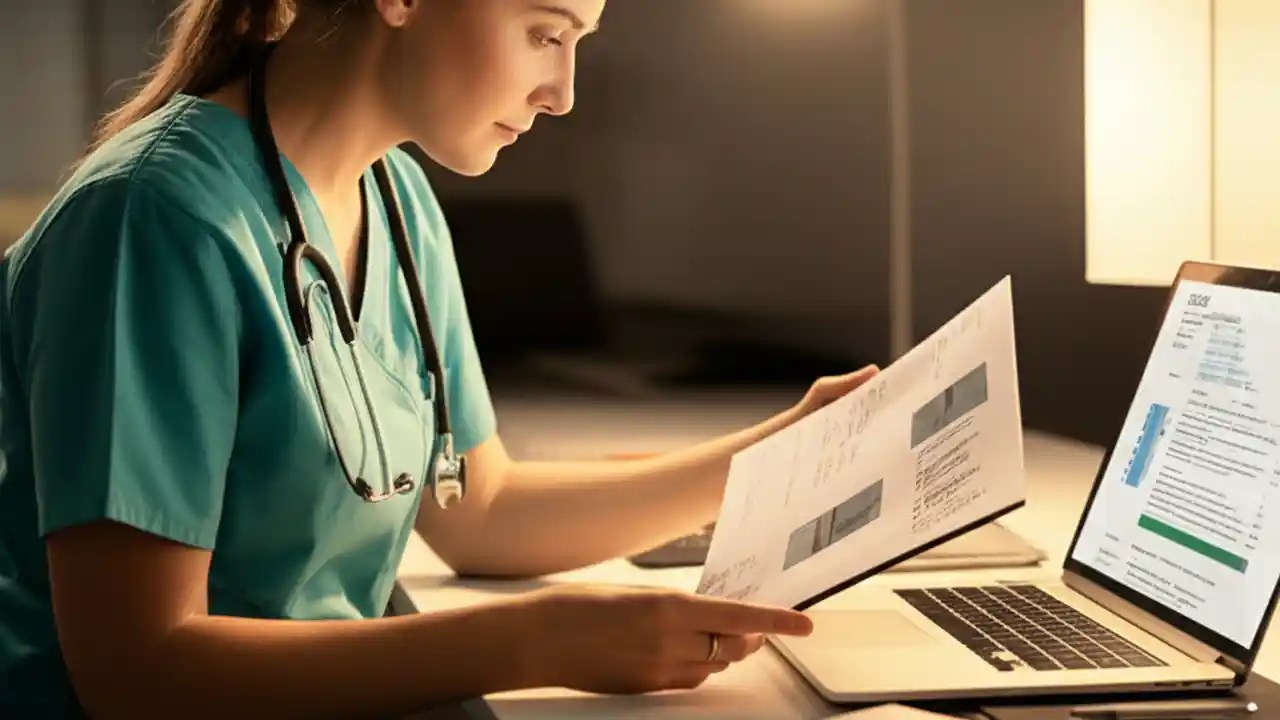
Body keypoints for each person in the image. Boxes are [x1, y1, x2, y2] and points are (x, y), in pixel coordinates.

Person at [0, 0, 879, 717]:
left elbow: (479, 509)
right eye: (545, 34)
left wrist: (779, 456)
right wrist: (536, 642)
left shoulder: (398, 198)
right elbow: (140, 673)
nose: (563, 94)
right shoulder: (151, 222)